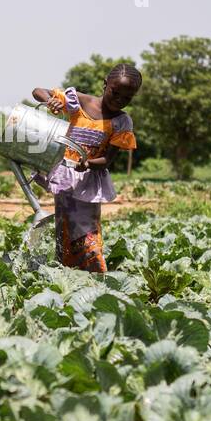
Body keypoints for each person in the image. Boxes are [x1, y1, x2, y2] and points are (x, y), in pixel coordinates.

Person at [29, 64, 141, 271]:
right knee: (65, 228)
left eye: (126, 98)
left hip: (89, 180)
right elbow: (37, 91)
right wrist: (50, 100)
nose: (119, 100)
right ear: (105, 85)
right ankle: (67, 273)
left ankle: (95, 273)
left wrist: (88, 163)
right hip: (64, 177)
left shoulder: (121, 122)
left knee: (88, 232)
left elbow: (107, 161)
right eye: (115, 93)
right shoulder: (79, 102)